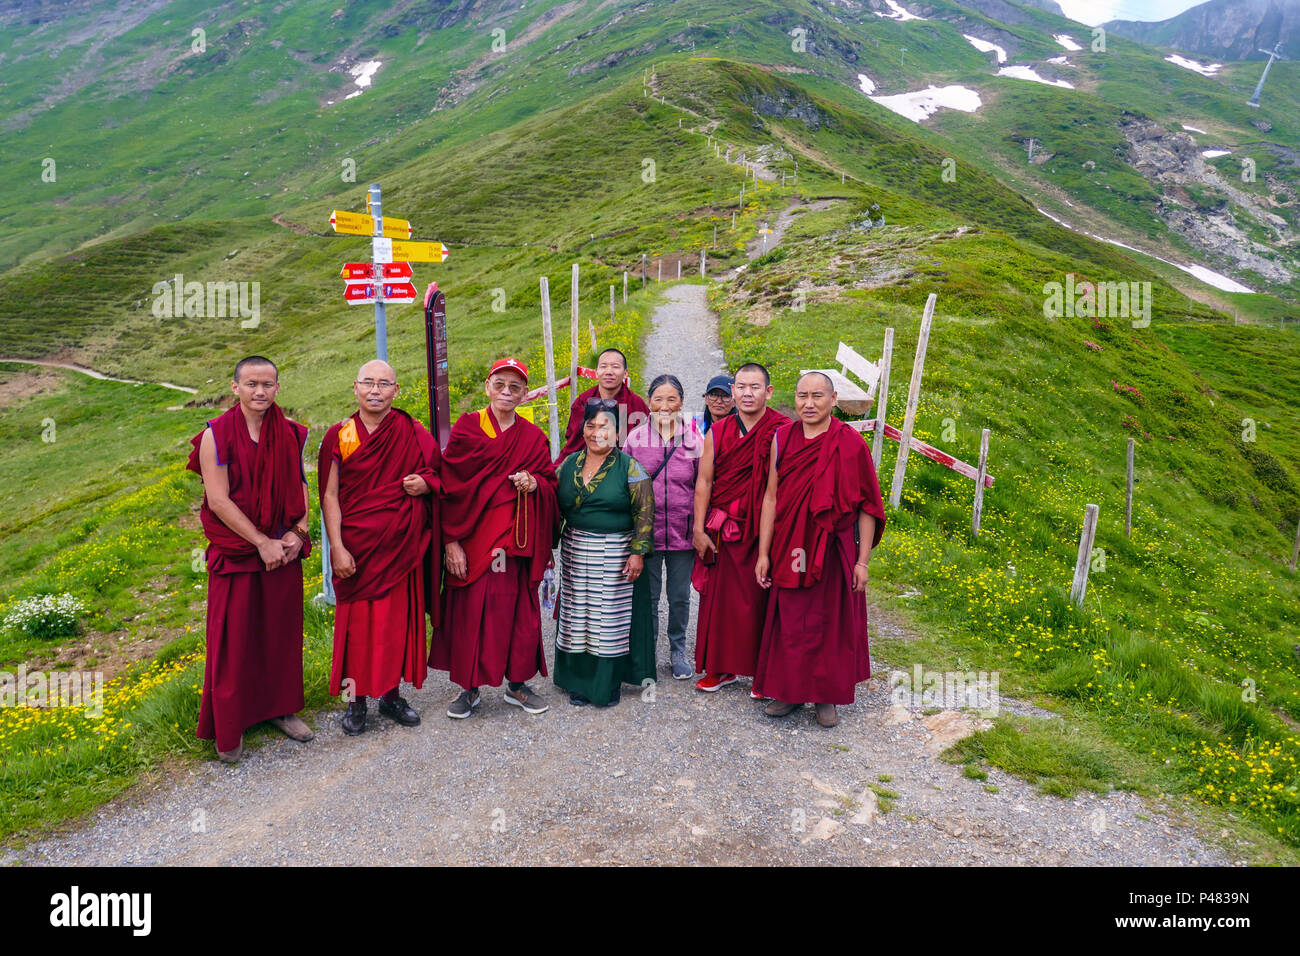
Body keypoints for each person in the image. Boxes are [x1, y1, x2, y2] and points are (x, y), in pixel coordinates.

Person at [187, 355, 313, 763]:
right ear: (235, 388)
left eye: (268, 384)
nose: (260, 391)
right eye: (252, 384)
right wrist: (261, 542)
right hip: (240, 552)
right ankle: (230, 724)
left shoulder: (291, 434)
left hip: (283, 550)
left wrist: (298, 532)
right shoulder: (217, 435)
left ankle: (280, 709)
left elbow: (301, 487)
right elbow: (219, 500)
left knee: (279, 634)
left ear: (278, 387)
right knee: (233, 639)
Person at [753, 372, 886, 728]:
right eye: (801, 396)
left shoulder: (850, 442)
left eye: (817, 396)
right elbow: (771, 497)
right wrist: (764, 553)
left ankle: (827, 696)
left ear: (833, 399)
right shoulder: (782, 438)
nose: (808, 404)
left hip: (835, 545)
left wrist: (862, 561)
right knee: (791, 619)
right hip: (790, 542)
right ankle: (790, 692)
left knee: (832, 620)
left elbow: (867, 506)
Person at [430, 358, 559, 719]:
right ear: (488, 386)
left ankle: (517, 686)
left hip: (516, 547)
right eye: (500, 384)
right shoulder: (468, 429)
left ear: (523, 395)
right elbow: (449, 489)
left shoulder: (532, 437)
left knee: (519, 616)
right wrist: (450, 543)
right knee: (471, 615)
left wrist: (535, 484)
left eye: (515, 387)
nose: (506, 391)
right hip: (473, 547)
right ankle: (468, 689)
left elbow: (550, 483)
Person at [319, 360, 440, 736]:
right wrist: (336, 548)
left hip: (400, 547)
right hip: (356, 548)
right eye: (368, 383)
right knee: (357, 628)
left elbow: (439, 473)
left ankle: (390, 695)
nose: (375, 390)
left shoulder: (411, 430)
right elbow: (329, 495)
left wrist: (425, 483)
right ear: (355, 387)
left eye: (383, 383)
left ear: (396, 390)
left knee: (394, 624)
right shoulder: (340, 435)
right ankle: (356, 702)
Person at [691, 363, 790, 695]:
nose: (748, 393)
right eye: (742, 387)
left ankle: (763, 674)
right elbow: (704, 481)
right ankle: (720, 669)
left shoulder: (783, 429)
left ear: (768, 392)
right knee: (720, 602)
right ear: (733, 392)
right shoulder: (717, 432)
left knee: (762, 599)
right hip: (726, 529)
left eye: (755, 387)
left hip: (767, 529)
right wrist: (698, 528)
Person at [553, 398, 656, 706]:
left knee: (608, 621)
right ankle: (578, 680)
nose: (597, 432)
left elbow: (645, 512)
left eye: (605, 426)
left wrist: (638, 552)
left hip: (615, 554)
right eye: (590, 425)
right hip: (575, 551)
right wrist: (549, 547)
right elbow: (555, 508)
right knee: (578, 618)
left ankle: (606, 683)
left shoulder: (630, 468)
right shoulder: (569, 464)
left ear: (618, 431)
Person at [624, 374, 704, 680]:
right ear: (648, 403)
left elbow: (702, 487)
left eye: (672, 399)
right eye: (658, 399)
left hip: (683, 535)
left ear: (682, 403)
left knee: (680, 596)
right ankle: (648, 652)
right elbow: (626, 489)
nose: (665, 406)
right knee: (649, 597)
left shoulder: (695, 441)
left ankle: (678, 650)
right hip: (648, 535)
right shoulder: (635, 440)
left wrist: (700, 528)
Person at [556, 347, 649, 461]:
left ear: (625, 373)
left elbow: (645, 446)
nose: (609, 372)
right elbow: (574, 441)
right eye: (603, 366)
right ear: (597, 372)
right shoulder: (584, 401)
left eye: (615, 367)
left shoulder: (635, 403)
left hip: (625, 468)